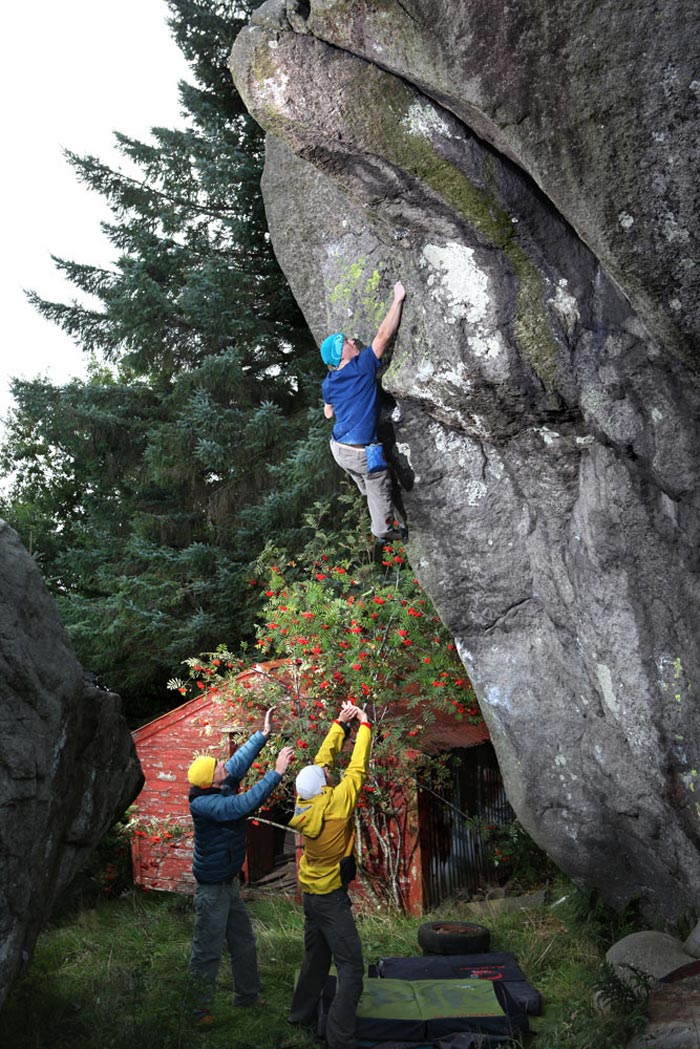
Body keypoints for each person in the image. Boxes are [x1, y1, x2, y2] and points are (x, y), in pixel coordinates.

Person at [186, 706, 294, 1024]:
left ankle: (247, 997)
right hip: (212, 889)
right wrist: (276, 772)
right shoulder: (207, 804)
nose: (223, 764)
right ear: (211, 780)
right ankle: (197, 1011)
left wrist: (263, 734)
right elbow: (243, 805)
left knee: (243, 941)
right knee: (207, 950)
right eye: (217, 766)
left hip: (229, 882)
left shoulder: (217, 784)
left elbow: (237, 763)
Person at [287, 701, 372, 1049]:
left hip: (310, 895)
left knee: (316, 959)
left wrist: (341, 723)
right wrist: (364, 725)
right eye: (324, 774)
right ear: (323, 785)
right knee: (352, 968)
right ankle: (340, 1038)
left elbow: (322, 761)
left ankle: (300, 1015)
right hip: (331, 899)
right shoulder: (337, 804)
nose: (326, 771)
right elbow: (357, 767)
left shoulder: (304, 801)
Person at [320, 281, 407, 541]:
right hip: (360, 453)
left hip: (338, 448)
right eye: (346, 341)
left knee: (365, 484)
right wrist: (398, 300)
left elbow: (328, 413)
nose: (352, 340)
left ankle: (369, 496)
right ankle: (383, 530)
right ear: (342, 354)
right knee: (378, 480)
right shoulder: (362, 366)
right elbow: (383, 336)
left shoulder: (329, 382)